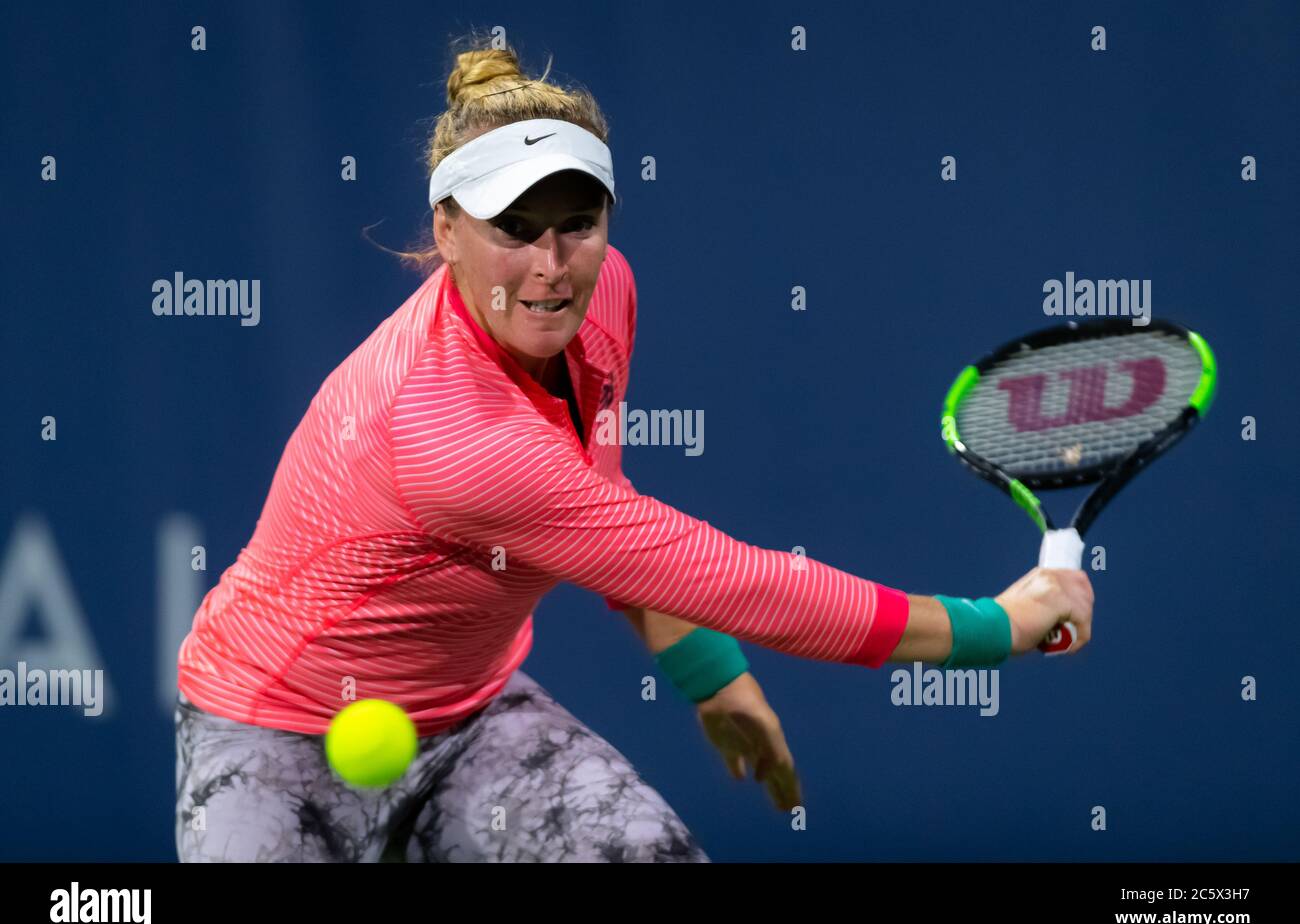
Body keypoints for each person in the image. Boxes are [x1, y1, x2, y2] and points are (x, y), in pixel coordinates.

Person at [174, 40, 1093, 863]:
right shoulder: (448, 433)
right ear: (447, 231)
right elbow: (734, 581)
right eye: (514, 229)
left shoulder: (602, 291)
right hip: (273, 741)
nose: (552, 263)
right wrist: (994, 628)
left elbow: (603, 497)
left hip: (467, 719)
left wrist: (708, 673)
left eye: (579, 220)